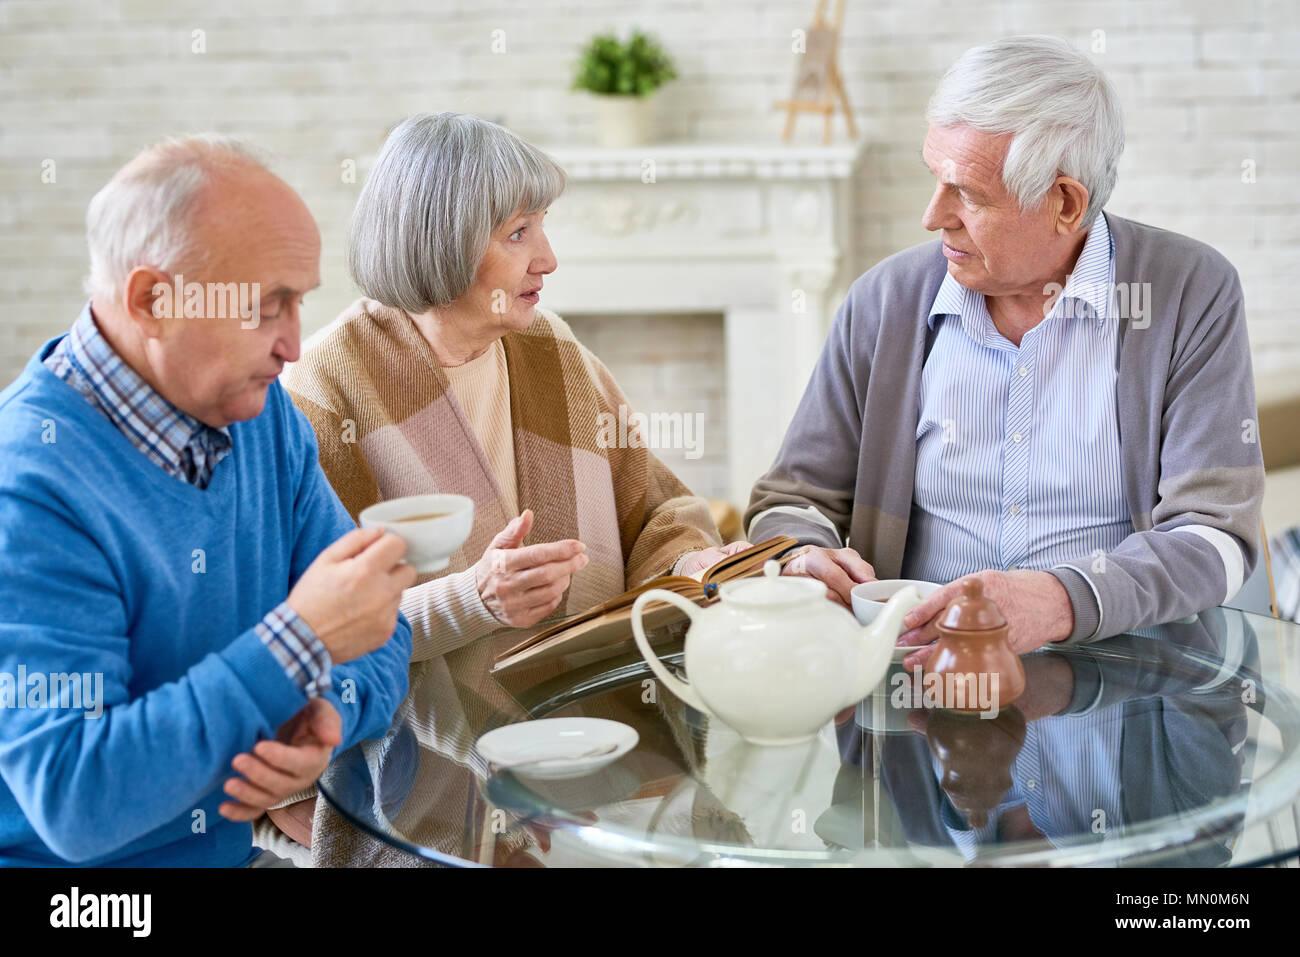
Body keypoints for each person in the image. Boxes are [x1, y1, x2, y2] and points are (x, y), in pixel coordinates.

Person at [280, 112, 734, 863]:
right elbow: (310, 629)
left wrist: (690, 568)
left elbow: (661, 506)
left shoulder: (551, 350)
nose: (548, 258)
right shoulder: (326, 390)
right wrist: (475, 599)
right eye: (518, 233)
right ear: (443, 238)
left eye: (543, 227)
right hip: (423, 791)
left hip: (605, 748)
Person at [746, 35, 1265, 665]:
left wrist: (1056, 601)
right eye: (934, 180)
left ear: (1065, 203)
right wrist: (802, 555)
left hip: (1128, 676)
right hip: (920, 688)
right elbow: (792, 499)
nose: (933, 216)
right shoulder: (885, 301)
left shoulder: (1188, 291)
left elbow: (1215, 537)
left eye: (968, 193)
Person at [0, 135, 415, 867]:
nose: (294, 343)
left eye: (301, 302)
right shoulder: (30, 484)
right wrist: (299, 643)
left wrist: (324, 718)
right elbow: (75, 799)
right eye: (267, 306)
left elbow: (377, 620)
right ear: (152, 301)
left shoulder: (261, 416)